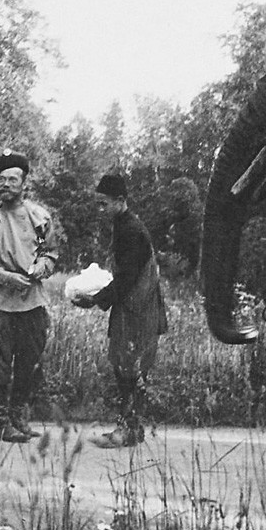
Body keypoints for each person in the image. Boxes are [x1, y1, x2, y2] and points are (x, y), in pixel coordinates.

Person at [0, 149, 58, 442]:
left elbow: (51, 253)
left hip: (32, 302)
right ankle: (1, 422)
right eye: (1, 180)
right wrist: (7, 278)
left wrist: (39, 269)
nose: (5, 185)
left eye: (12, 179)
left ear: (23, 183)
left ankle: (19, 416)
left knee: (29, 363)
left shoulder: (39, 216)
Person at [75, 173, 167, 448]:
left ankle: (127, 430)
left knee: (130, 369)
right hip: (133, 307)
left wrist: (96, 299)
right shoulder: (122, 224)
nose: (101, 210)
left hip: (138, 310)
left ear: (120, 201)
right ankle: (131, 429)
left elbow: (127, 277)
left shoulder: (131, 230)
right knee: (126, 367)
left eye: (104, 204)